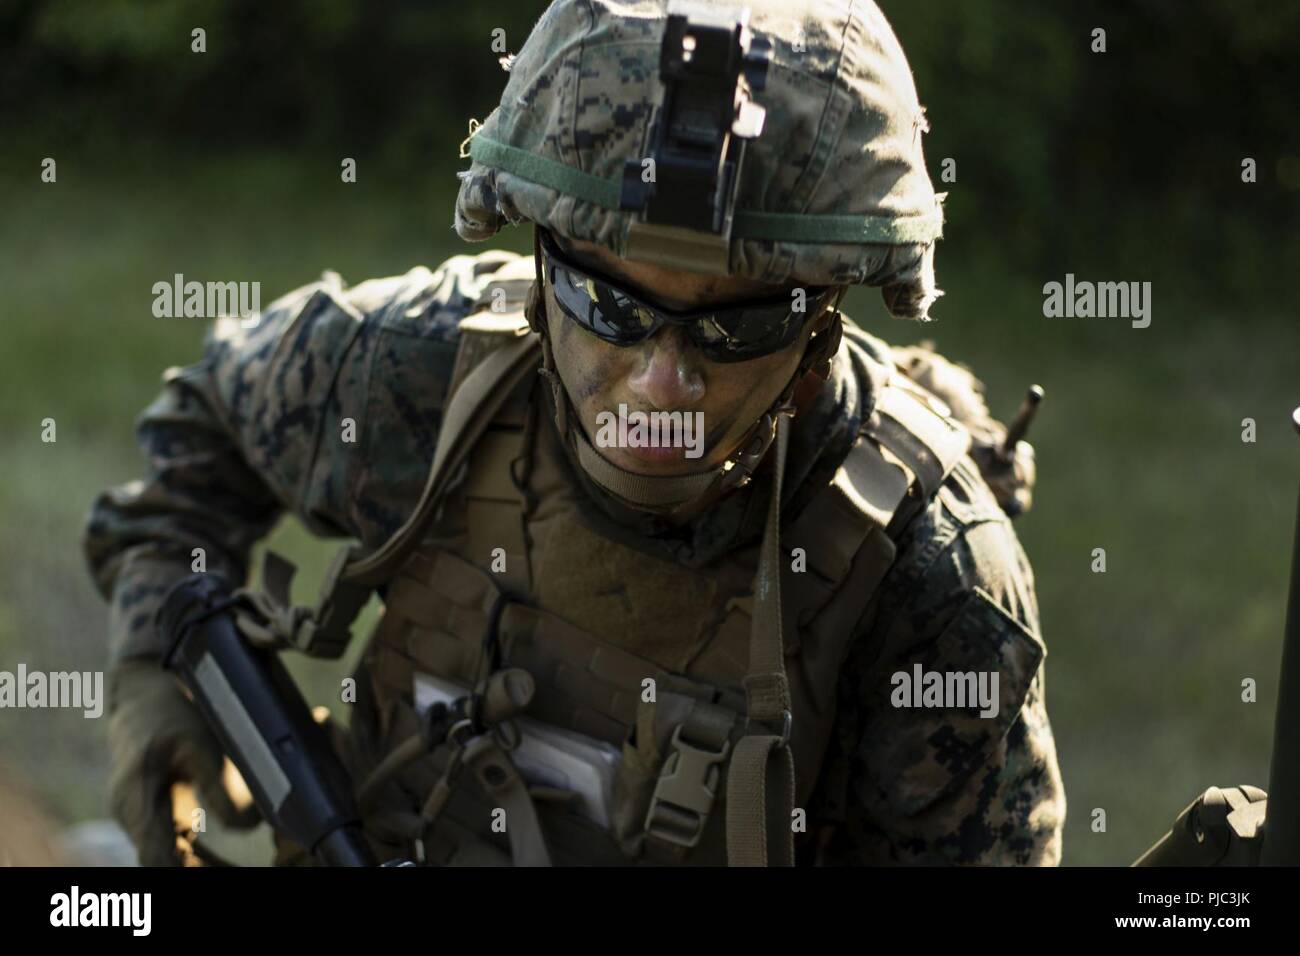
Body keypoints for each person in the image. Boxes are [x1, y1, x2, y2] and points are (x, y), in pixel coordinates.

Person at [84, 0, 1064, 866]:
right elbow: (205, 423)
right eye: (606, 298)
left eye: (739, 325)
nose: (660, 379)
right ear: (539, 257)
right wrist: (148, 665)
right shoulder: (415, 374)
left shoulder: (928, 585)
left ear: (823, 327)